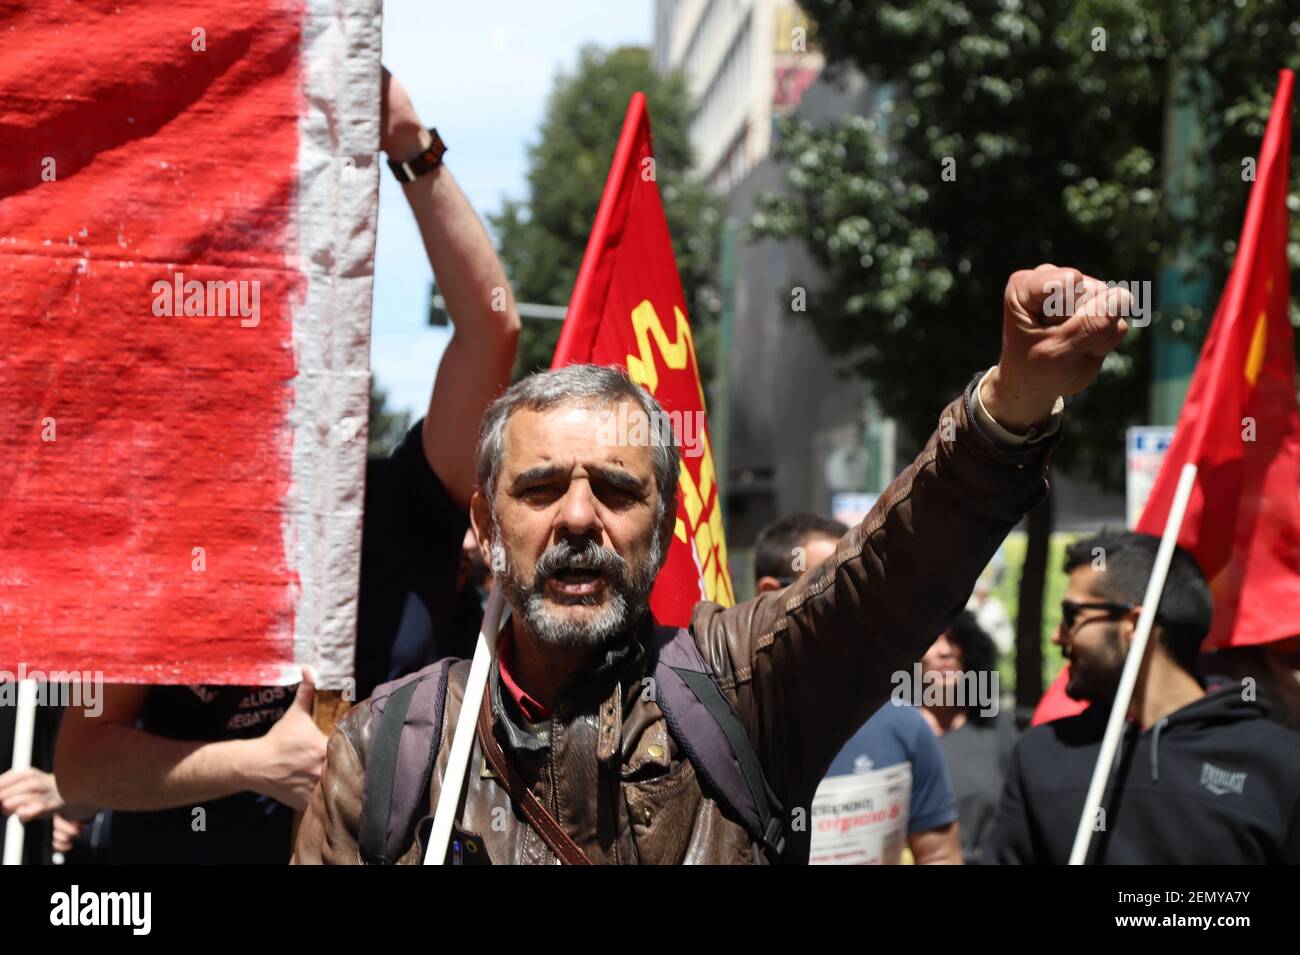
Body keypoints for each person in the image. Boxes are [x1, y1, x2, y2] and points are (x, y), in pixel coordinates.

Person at [294, 263, 1131, 865]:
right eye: (541, 487)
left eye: (616, 491)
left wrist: (1011, 405)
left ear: (662, 527)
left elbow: (892, 574)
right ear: (485, 520)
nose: (578, 517)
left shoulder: (743, 689)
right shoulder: (387, 746)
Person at [52, 68, 520, 864]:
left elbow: (492, 332)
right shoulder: (160, 528)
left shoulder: (402, 500)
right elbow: (80, 765)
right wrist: (253, 764)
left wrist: (410, 146)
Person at [987, 530, 1300, 864]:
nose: (1056, 636)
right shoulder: (1040, 756)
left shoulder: (1279, 763)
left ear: (1134, 624)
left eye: (1072, 618)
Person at [755, 514, 961, 864]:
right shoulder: (726, 725)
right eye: (838, 587)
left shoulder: (905, 726)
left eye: (867, 588)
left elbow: (940, 855)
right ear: (773, 595)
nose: (859, 607)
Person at [916, 610, 1017, 864]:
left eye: (954, 640)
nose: (945, 651)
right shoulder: (896, 734)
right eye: (932, 641)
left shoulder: (996, 728)